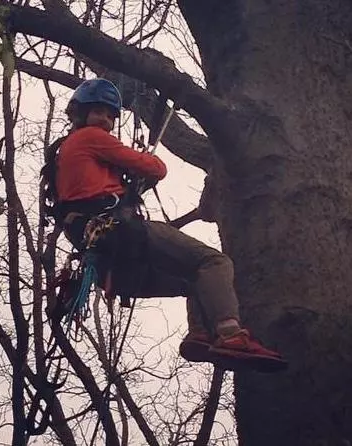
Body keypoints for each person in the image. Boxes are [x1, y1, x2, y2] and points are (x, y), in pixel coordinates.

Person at [44, 78, 287, 373]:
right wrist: (142, 163)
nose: (105, 121)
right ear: (80, 114)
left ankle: (199, 336)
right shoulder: (90, 137)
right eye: (99, 113)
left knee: (195, 282)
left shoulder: (66, 155)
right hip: (121, 232)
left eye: (110, 115)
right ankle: (230, 335)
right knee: (213, 262)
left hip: (111, 269)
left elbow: (94, 190)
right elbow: (156, 168)